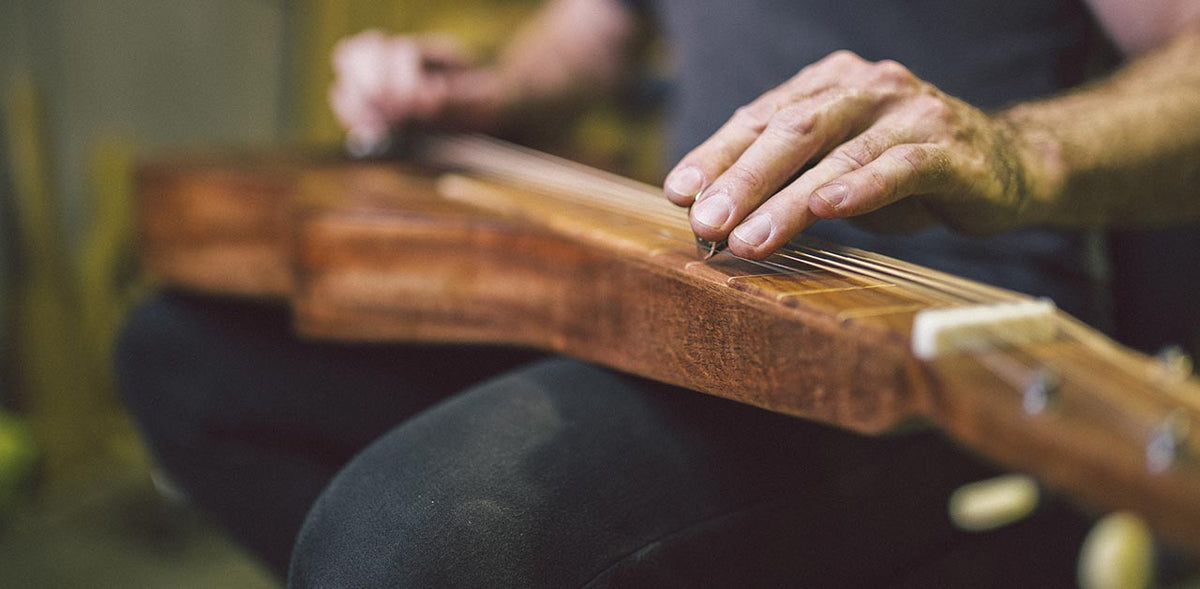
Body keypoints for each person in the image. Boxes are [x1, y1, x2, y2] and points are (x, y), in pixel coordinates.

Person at [118, 0, 1200, 586]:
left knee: (413, 543)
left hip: (937, 328)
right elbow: (596, 29)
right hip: (674, 284)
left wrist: (1017, 149)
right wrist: (492, 87)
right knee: (183, 352)